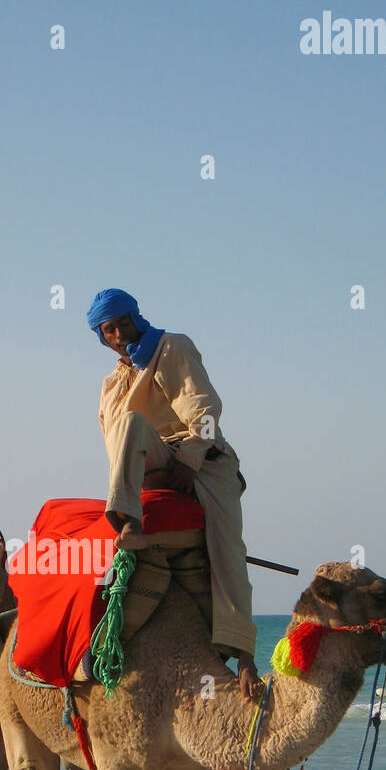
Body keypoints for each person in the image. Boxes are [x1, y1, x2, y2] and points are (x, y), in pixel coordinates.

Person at [87, 287, 260, 702]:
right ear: (102, 336)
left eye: (123, 322)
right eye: (108, 329)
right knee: (129, 423)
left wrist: (190, 461)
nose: (118, 333)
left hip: (203, 460)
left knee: (228, 552)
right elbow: (117, 445)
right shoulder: (111, 384)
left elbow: (205, 408)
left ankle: (246, 658)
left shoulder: (171, 347)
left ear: (136, 317)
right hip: (151, 465)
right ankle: (127, 522)